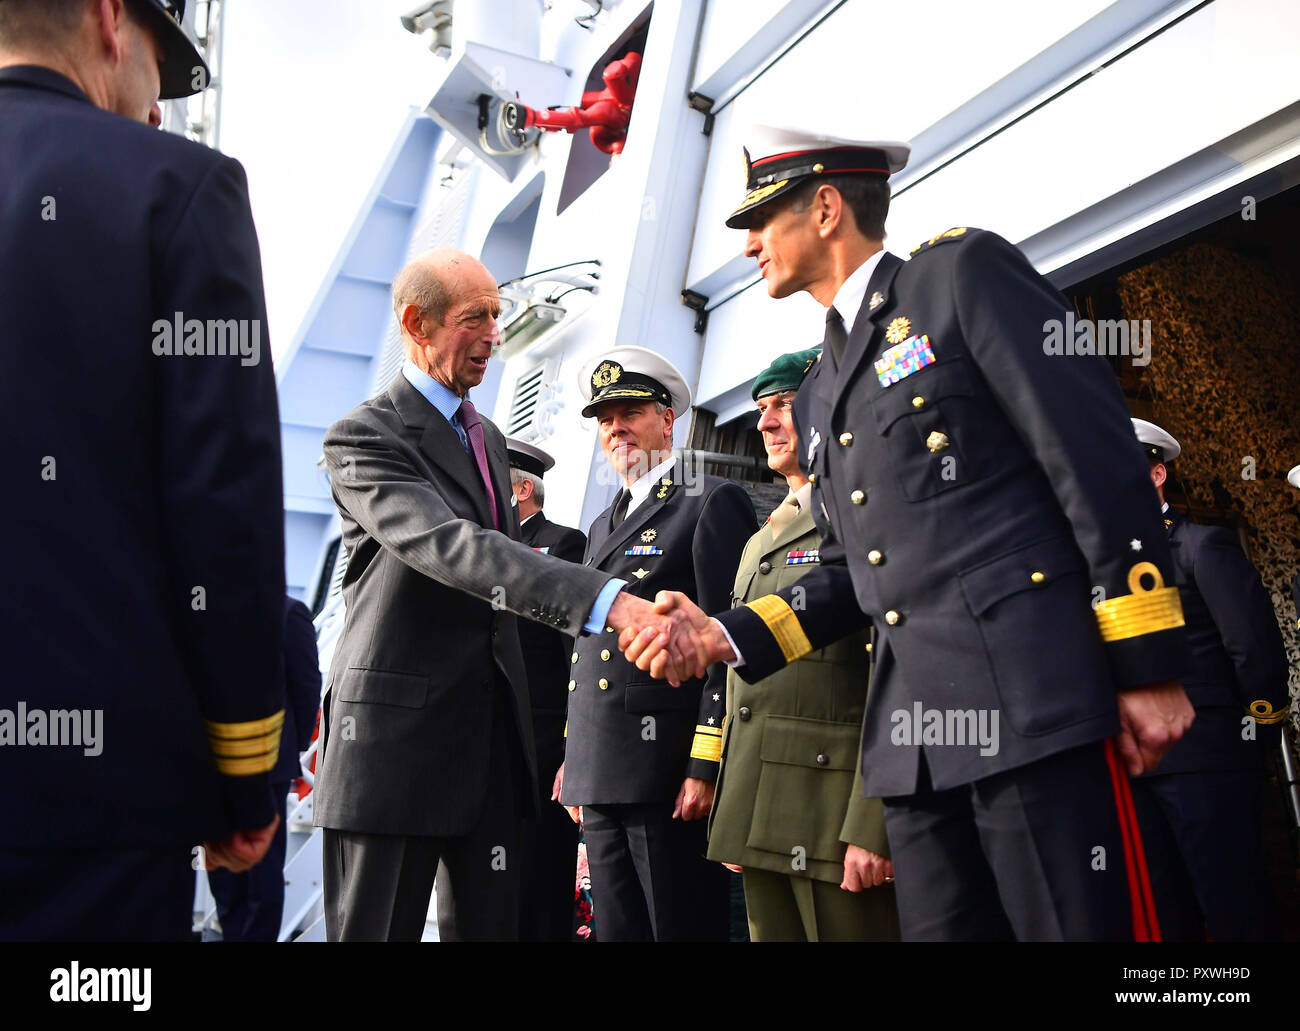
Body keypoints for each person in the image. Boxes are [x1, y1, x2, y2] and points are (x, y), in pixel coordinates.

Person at [622, 128, 1195, 941]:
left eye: (761, 218)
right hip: (913, 746)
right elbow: (851, 570)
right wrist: (722, 631)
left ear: (825, 208)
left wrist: (1145, 662)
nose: (748, 243)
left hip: (1030, 699)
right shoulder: (821, 386)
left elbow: (1094, 455)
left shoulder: (957, 279)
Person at [0, 0, 286, 941]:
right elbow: (222, 509)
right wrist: (244, 779)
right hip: (86, 810)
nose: (156, 107)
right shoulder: (178, 188)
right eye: (163, 70)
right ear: (110, 20)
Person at [313, 250, 668, 941]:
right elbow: (453, 548)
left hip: (490, 755)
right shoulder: (364, 436)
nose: (494, 335)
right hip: (392, 749)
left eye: (497, 315)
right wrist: (609, 601)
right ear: (418, 323)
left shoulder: (489, 436)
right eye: (474, 317)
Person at [558, 346, 756, 941]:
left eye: (630, 411)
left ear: (667, 419)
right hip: (601, 770)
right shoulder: (601, 523)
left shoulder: (709, 501)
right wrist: (576, 758)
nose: (614, 427)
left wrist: (705, 763)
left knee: (678, 927)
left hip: (665, 770)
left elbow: (728, 639)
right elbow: (586, 649)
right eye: (604, 418)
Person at [706, 347, 899, 942]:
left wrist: (875, 822)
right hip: (763, 808)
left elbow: (896, 669)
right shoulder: (760, 538)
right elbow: (743, 690)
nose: (764, 423)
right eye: (761, 409)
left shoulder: (869, 513)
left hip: (834, 819)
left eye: (784, 405)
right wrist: (734, 805)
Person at [1125, 419, 1288, 940]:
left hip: (1207, 760)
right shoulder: (1103, 564)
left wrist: (1254, 735)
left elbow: (1253, 651)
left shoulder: (1201, 547)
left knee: (1234, 904)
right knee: (1165, 916)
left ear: (1156, 475)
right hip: (1132, 770)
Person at [506, 438, 587, 941]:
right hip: (494, 740)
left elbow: (568, 653)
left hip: (541, 741)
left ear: (521, 487)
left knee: (543, 875)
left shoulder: (563, 543)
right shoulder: (483, 546)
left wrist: (568, 750)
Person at [209, 596, 322, 941]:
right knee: (223, 872)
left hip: (267, 764)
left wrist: (295, 745)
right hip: (216, 766)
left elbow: (306, 686)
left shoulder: (288, 612)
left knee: (262, 874)